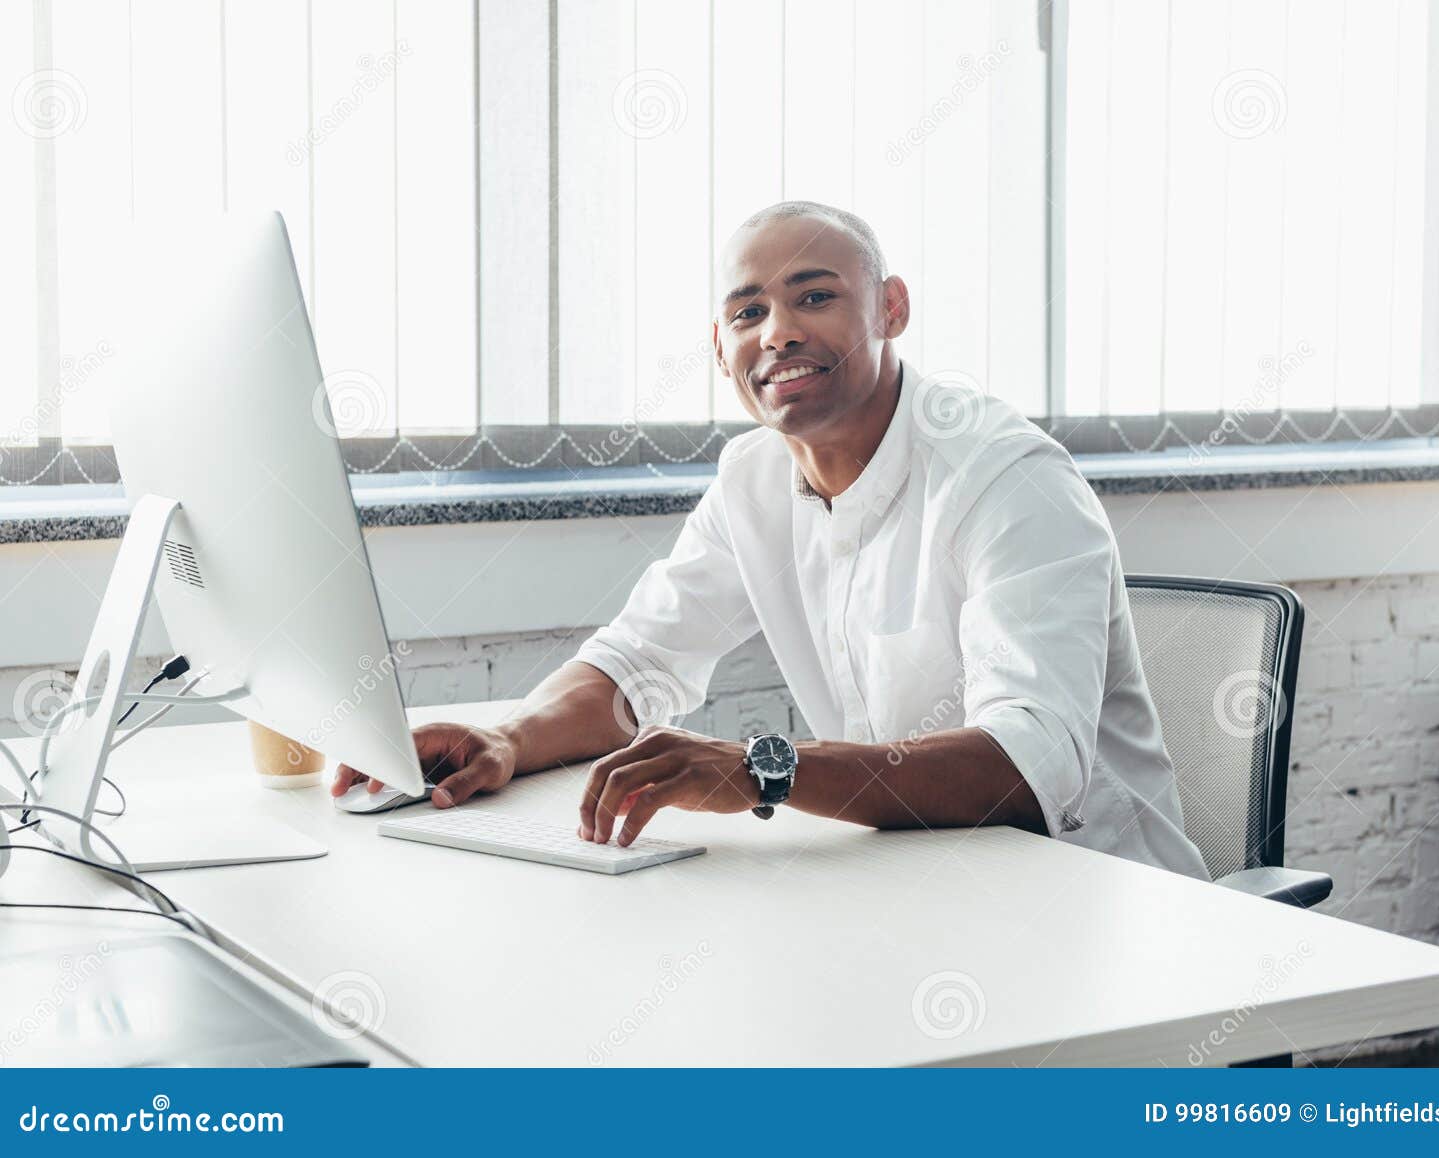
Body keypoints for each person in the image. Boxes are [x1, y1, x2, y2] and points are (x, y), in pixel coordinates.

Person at [333, 200, 1209, 879]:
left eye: (815, 297)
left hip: (1097, 901)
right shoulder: (754, 477)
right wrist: (513, 739)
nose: (779, 331)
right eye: (748, 312)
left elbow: (1029, 767)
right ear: (721, 349)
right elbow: (637, 663)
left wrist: (764, 771)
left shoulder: (1005, 476)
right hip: (924, 882)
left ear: (891, 308)